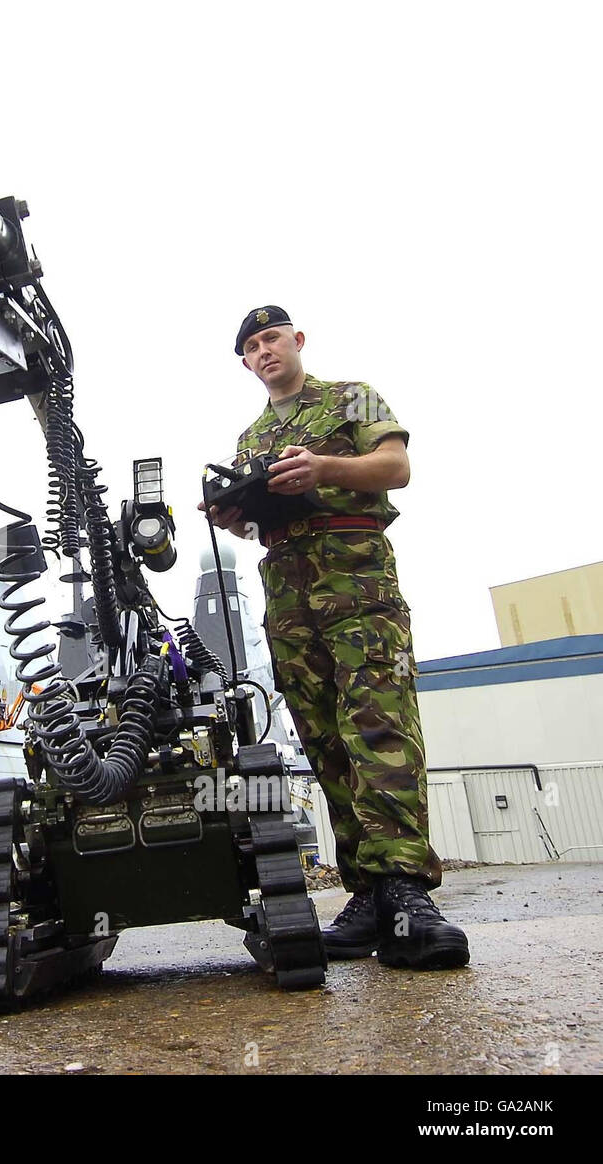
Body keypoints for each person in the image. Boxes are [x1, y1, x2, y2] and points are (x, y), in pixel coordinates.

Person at [199, 306, 468, 971]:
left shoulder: (351, 397)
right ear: (245, 363)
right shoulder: (252, 436)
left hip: (357, 584)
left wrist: (322, 468)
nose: (264, 351)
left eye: (272, 338)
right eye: (252, 346)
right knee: (324, 740)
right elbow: (256, 524)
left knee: (379, 730)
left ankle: (407, 890)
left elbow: (395, 467)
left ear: (297, 341)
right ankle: (370, 894)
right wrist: (234, 514)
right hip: (288, 596)